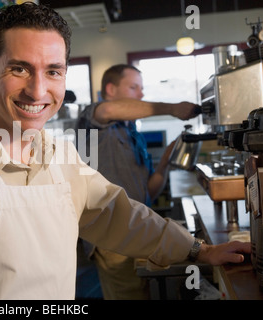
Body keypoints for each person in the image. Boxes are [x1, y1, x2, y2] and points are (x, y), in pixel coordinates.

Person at [0, 2, 250, 300]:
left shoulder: (62, 156)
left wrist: (199, 250)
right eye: (19, 69)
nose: (37, 91)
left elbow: (120, 215)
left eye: (53, 71)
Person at [76, 64, 202, 299]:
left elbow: (149, 193)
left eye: (142, 88)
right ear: (111, 89)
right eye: (134, 87)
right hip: (112, 234)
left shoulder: (130, 131)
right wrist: (173, 108)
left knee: (142, 292)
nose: (141, 94)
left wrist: (165, 161)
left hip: (139, 227)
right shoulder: (91, 119)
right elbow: (108, 111)